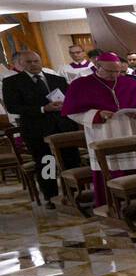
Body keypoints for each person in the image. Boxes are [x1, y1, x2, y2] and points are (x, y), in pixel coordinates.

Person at [61, 53, 136, 207]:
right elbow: (72, 112)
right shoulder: (81, 85)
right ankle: (112, 205)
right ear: (97, 67)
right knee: (109, 169)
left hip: (131, 131)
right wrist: (97, 114)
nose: (115, 75)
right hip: (103, 133)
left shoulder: (130, 83)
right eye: (111, 71)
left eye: (118, 71)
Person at [1, 50, 80, 208]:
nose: (33, 64)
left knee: (71, 159)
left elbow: (70, 99)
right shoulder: (13, 82)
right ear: (20, 64)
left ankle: (76, 193)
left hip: (62, 127)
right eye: (28, 62)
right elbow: (13, 107)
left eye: (36, 61)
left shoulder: (56, 79)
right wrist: (43, 109)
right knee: (46, 162)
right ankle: (51, 196)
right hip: (36, 129)